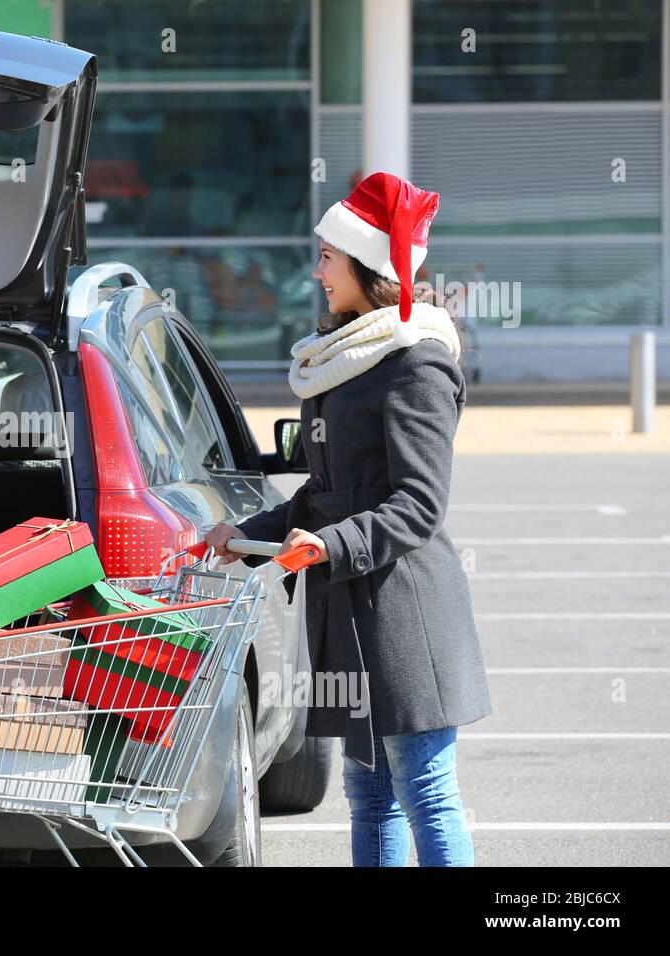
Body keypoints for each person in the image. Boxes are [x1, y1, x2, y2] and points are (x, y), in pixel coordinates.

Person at [204, 172, 492, 867]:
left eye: (328, 256)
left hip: (404, 616)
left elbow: (419, 504)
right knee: (368, 795)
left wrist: (329, 544)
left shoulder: (413, 363)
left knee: (423, 789)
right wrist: (249, 539)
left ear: (367, 265)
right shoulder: (345, 358)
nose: (317, 270)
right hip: (351, 615)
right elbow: (323, 494)